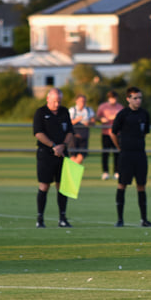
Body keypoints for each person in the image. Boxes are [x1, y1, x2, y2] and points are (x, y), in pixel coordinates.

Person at [111, 87, 151, 227]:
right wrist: (120, 148)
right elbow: (113, 133)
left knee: (141, 186)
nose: (138, 101)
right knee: (122, 184)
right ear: (128, 99)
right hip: (126, 155)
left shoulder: (144, 114)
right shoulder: (123, 114)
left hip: (140, 155)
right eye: (135, 98)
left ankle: (144, 219)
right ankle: (119, 219)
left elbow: (144, 133)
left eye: (140, 98)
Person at [32, 89, 74, 228]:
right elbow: (38, 133)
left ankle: (62, 218)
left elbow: (70, 131)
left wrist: (63, 146)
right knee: (44, 185)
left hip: (62, 154)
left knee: (62, 187)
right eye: (54, 101)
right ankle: (40, 219)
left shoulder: (64, 112)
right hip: (46, 154)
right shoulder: (40, 113)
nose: (57, 104)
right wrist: (53, 146)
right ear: (48, 98)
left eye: (59, 101)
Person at [97, 91, 122, 180]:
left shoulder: (120, 107)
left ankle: (117, 172)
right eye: (111, 98)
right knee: (105, 153)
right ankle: (105, 172)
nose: (113, 100)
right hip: (106, 133)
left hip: (117, 134)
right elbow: (97, 117)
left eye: (114, 98)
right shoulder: (103, 107)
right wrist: (102, 119)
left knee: (117, 153)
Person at [69, 94, 93, 165]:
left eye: (84, 101)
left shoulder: (88, 110)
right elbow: (69, 122)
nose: (83, 103)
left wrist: (88, 123)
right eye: (81, 101)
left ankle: (72, 173)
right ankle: (73, 174)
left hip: (84, 136)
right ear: (76, 101)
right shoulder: (72, 110)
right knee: (72, 156)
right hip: (74, 136)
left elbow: (93, 121)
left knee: (81, 156)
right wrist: (78, 120)